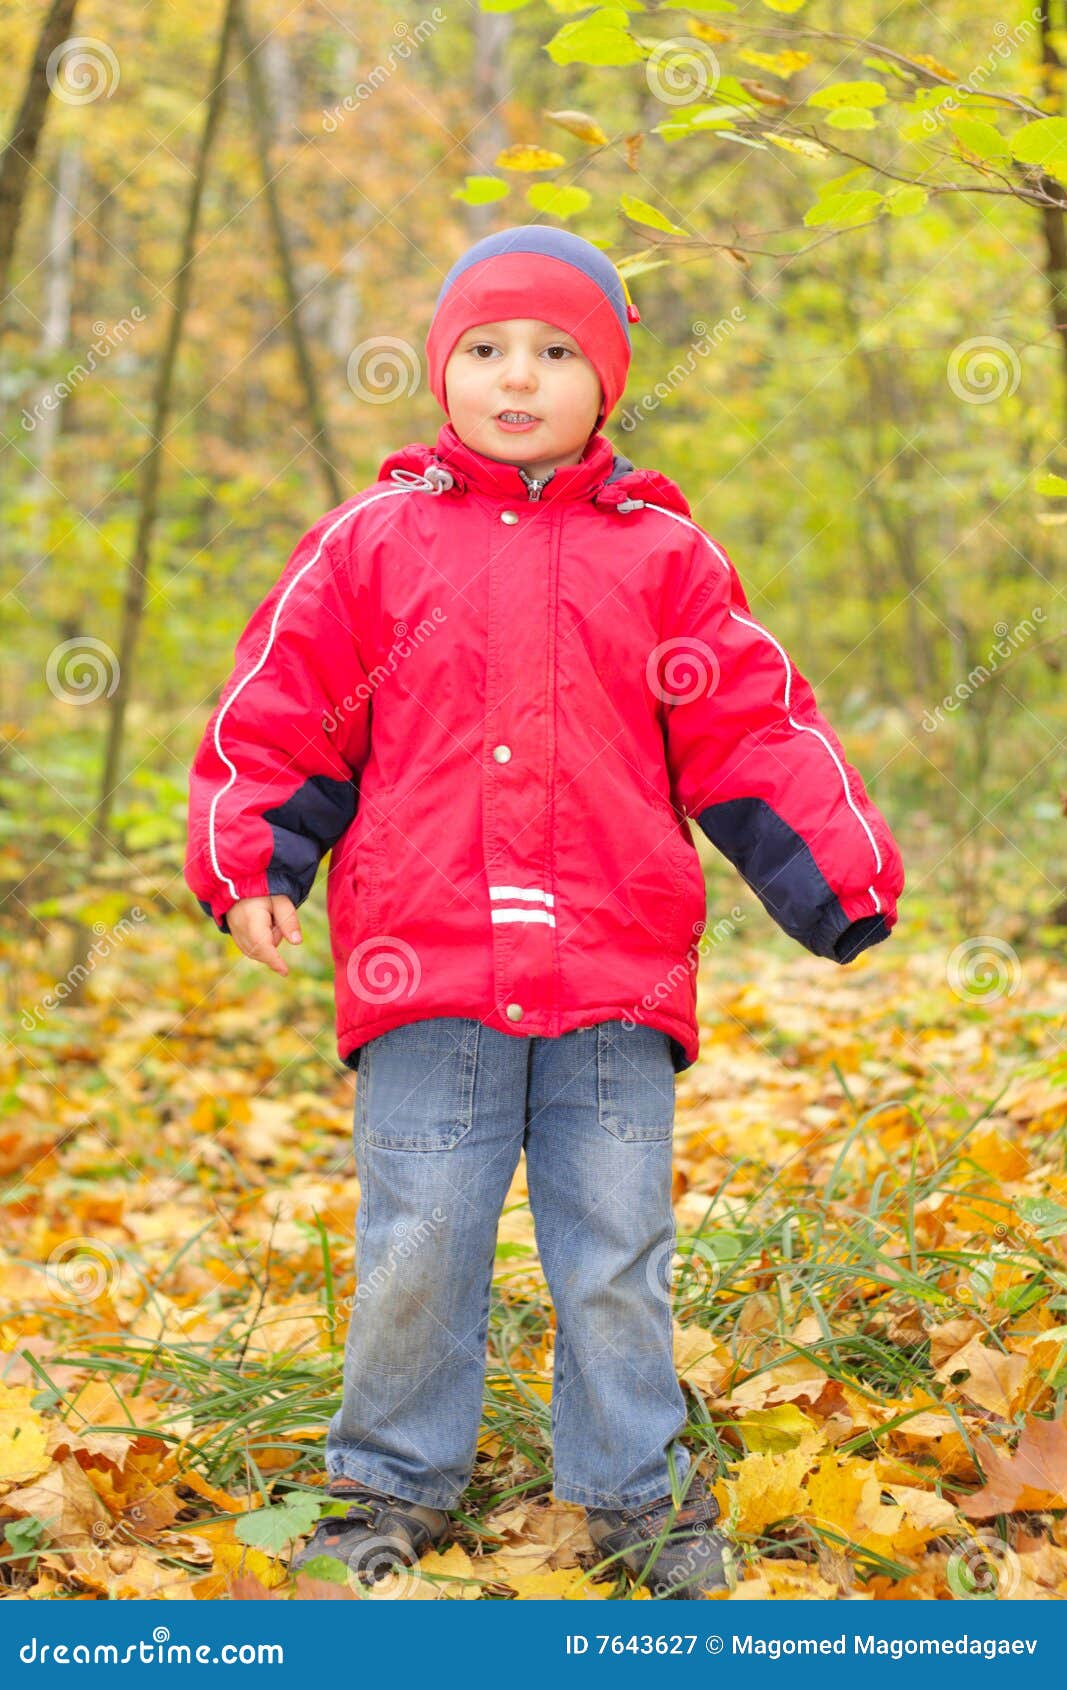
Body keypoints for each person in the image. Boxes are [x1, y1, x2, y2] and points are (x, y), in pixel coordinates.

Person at [184, 224, 905, 1598]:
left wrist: (838, 874)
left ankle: (638, 1492)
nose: (521, 375)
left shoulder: (664, 558)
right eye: (488, 348)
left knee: (618, 1247)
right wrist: (256, 855)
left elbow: (754, 726)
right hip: (429, 964)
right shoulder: (372, 544)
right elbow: (277, 717)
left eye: (559, 351)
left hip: (616, 975)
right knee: (419, 1236)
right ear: (443, 367)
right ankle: (387, 1482)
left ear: (609, 381)